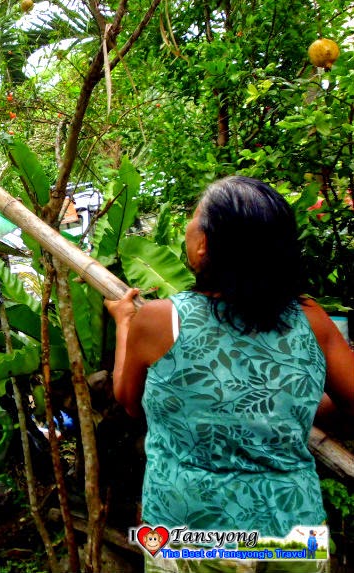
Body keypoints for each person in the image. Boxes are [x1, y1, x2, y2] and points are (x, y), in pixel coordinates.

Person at [105, 176, 354, 561]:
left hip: (189, 536)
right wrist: (280, 411)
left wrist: (124, 322)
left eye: (193, 216)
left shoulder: (159, 320)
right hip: (290, 536)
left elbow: (129, 400)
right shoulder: (311, 319)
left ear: (204, 244)